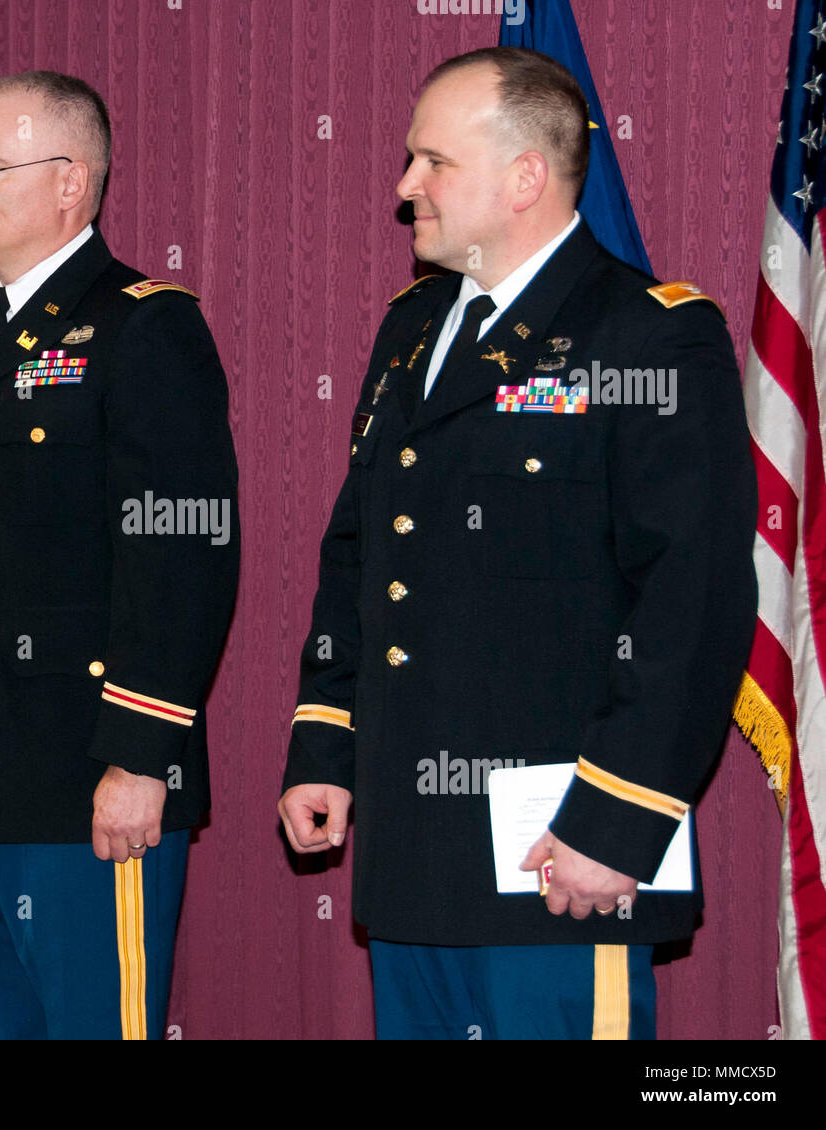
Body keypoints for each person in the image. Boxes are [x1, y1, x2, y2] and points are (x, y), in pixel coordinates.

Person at [278, 46, 756, 1040]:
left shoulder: (646, 336)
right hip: (416, 847)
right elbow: (359, 549)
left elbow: (693, 595)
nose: (405, 186)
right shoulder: (412, 328)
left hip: (562, 853)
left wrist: (617, 816)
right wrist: (326, 742)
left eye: (431, 161)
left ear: (525, 177)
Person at [0, 70, 239, 1040]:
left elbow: (185, 551)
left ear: (69, 182)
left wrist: (142, 753)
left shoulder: (144, 323)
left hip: (87, 769)